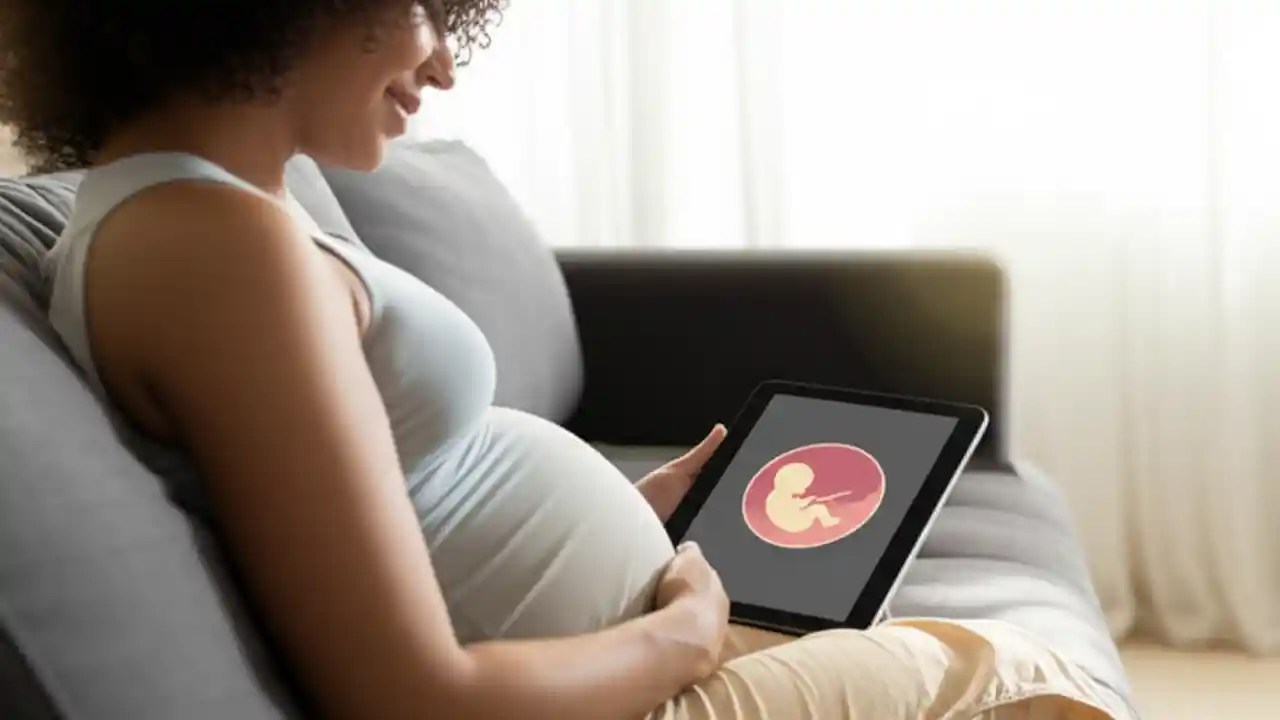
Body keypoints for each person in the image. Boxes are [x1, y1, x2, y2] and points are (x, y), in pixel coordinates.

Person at [0, 2, 1131, 717]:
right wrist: (681, 634)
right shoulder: (214, 244)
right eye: (418, 9)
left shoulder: (207, 213)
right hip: (618, 691)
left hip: (621, 646)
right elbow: (410, 695)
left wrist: (633, 520)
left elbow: (379, 504)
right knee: (1033, 678)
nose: (442, 63)